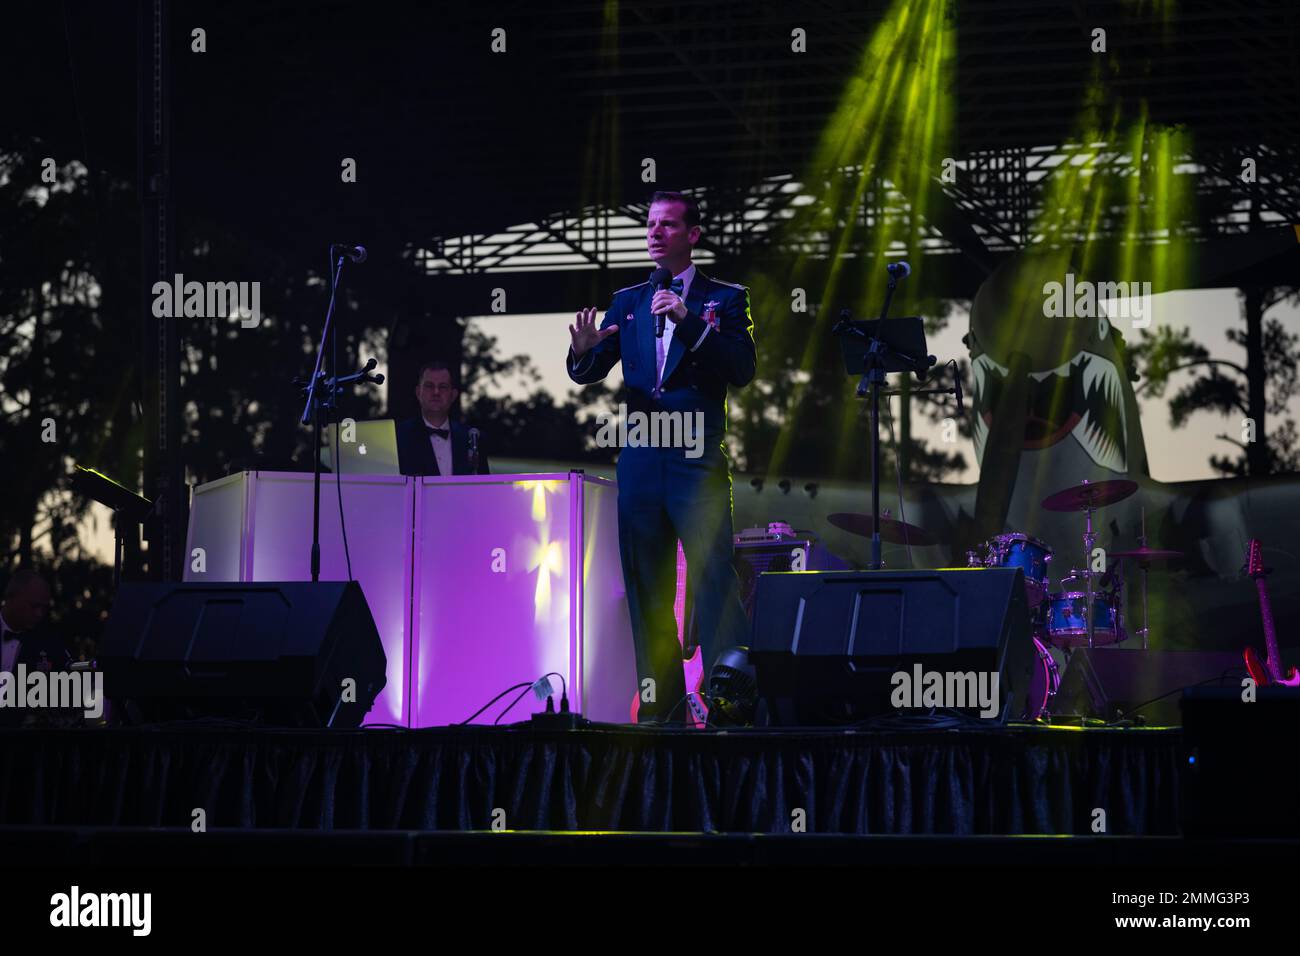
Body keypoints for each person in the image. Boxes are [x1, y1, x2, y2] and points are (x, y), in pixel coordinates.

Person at [566, 190, 755, 724]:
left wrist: (690, 322)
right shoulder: (627, 300)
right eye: (650, 224)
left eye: (667, 225)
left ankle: (729, 703)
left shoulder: (724, 297)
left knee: (714, 579)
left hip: (697, 459)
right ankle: (661, 706)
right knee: (646, 584)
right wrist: (580, 354)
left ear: (692, 235)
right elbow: (591, 367)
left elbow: (741, 367)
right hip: (643, 461)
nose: (654, 233)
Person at [0, 569, 72, 728]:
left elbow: (71, 687)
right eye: (33, 606)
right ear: (10, 598)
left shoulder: (49, 642)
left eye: (43, 608)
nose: (39, 614)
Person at [395, 360, 491, 476]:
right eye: (429, 386)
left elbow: (483, 488)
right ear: (418, 392)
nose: (436, 392)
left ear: (453, 395)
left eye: (443, 387)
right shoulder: (398, 437)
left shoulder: (472, 438)